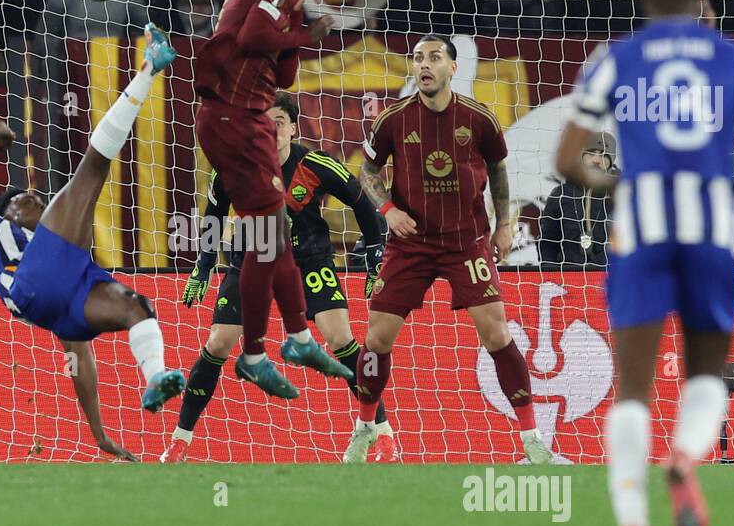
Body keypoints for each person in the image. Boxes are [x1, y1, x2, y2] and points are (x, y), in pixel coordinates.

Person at [557, 0, 734, 526]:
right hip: (710, 222)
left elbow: (564, 161)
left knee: (632, 390)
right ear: (698, 0)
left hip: (641, 226)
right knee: (708, 371)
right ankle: (684, 457)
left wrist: (615, 187)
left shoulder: (615, 59)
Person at [0, 25, 185, 462]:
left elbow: (79, 363)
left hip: (61, 298)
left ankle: (157, 376)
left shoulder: (59, 259)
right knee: (91, 171)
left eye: (38, 198)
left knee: (136, 307)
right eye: (25, 198)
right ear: (9, 208)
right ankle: (150, 68)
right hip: (30, 286)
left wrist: (100, 435)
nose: (36, 199)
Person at [345, 34, 550, 465]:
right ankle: (365, 428)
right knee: (376, 337)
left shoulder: (479, 118)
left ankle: (532, 438)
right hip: (411, 242)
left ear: (452, 69)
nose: (424, 65)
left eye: (434, 58)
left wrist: (505, 223)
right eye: (418, 58)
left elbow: (497, 168)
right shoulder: (393, 119)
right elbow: (367, 169)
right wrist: (386, 209)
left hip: (466, 241)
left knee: (496, 334)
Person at [168, 92, 391, 463]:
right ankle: (180, 441)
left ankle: (381, 434)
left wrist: (374, 255)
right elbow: (213, 216)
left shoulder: (318, 165)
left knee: (340, 338)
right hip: (250, 260)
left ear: (293, 127)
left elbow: (362, 205)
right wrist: (203, 267)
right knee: (219, 343)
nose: (270, 130)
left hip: (309, 261)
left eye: (279, 123)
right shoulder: (233, 168)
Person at [193, 0, 348, 399]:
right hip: (233, 116)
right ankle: (257, 354)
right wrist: (305, 27)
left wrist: (299, 36)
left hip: (242, 117)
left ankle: (296, 340)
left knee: (271, 230)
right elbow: (255, 33)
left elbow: (282, 71)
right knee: (268, 232)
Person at [538, 131, 616, 270]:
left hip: (611, 275)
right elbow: (547, 242)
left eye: (604, 155)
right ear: (581, 156)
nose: (597, 160)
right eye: (591, 153)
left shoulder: (619, 194)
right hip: (570, 277)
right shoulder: (561, 194)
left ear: (611, 161)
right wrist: (549, 274)